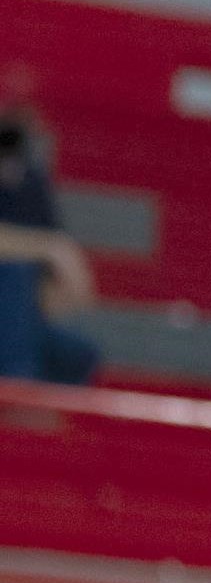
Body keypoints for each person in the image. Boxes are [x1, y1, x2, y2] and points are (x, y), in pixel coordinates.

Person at [0, 102, 100, 385]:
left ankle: (35, 422)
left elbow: (67, 287)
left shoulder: (30, 183)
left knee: (77, 355)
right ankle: (17, 395)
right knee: (14, 276)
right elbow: (54, 247)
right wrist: (49, 247)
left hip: (19, 320)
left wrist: (52, 293)